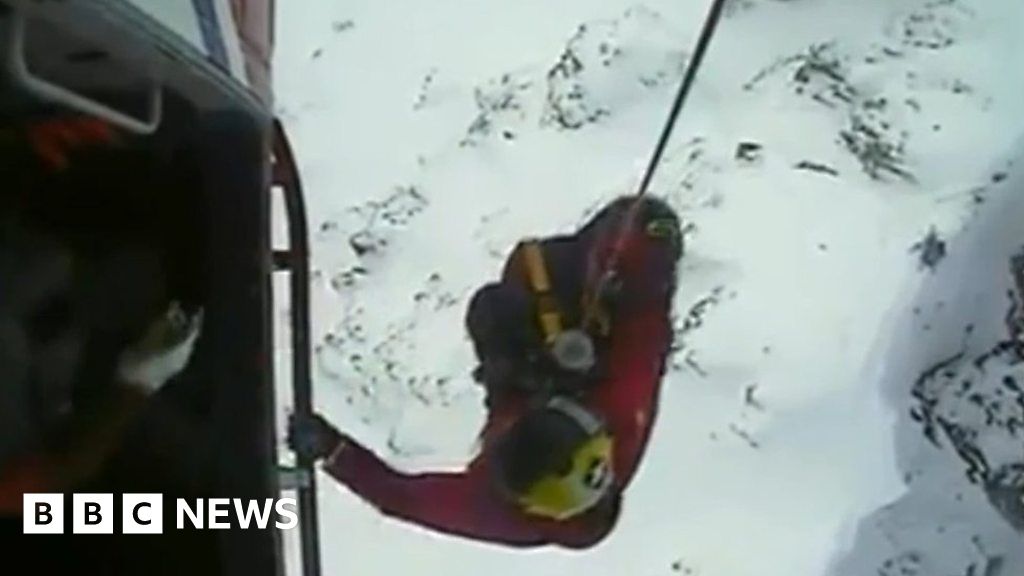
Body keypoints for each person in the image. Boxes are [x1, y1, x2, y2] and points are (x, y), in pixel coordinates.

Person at [291, 196, 682, 549]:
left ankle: (528, 352)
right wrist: (647, 252)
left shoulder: (498, 510)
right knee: (544, 273)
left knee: (496, 312)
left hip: (522, 373)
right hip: (579, 338)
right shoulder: (624, 401)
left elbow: (402, 497)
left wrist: (332, 450)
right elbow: (647, 318)